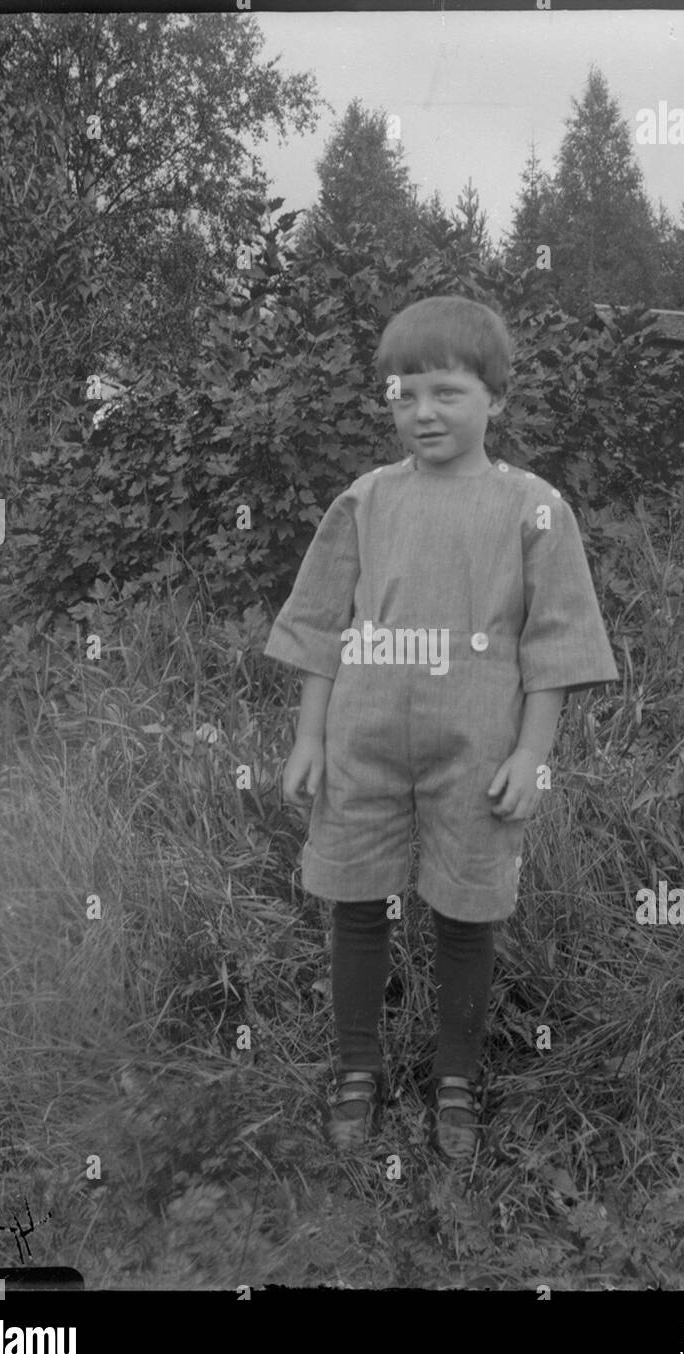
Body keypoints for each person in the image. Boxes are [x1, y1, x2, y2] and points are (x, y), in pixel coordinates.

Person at [264, 295, 618, 1162]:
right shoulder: (366, 499)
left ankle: (454, 1076)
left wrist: (533, 756)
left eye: (447, 392)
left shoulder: (535, 508)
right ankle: (358, 1069)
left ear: (494, 397)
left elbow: (557, 648)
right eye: (405, 393)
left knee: (467, 911)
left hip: (479, 748)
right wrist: (309, 737)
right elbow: (318, 627)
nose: (422, 412)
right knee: (356, 903)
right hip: (363, 738)